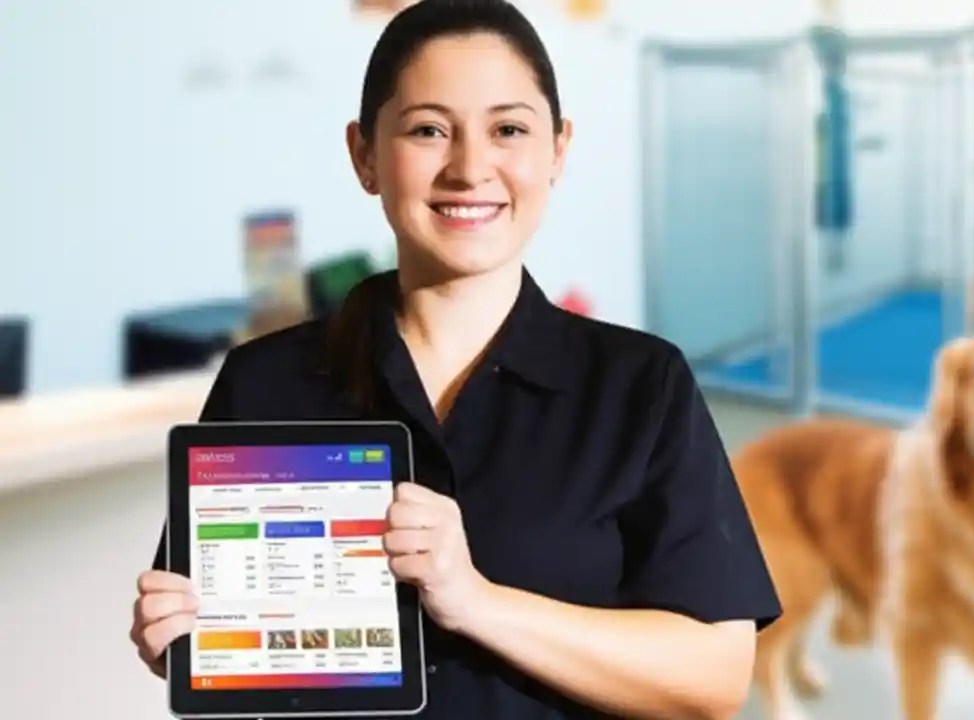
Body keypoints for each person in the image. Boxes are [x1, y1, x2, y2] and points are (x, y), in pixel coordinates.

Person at [127, 1, 782, 718]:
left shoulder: (641, 387)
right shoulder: (263, 382)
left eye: (509, 130)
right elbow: (217, 634)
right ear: (365, 155)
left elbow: (715, 678)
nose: (470, 169)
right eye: (428, 130)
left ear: (558, 149)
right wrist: (184, 643)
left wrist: (475, 602)